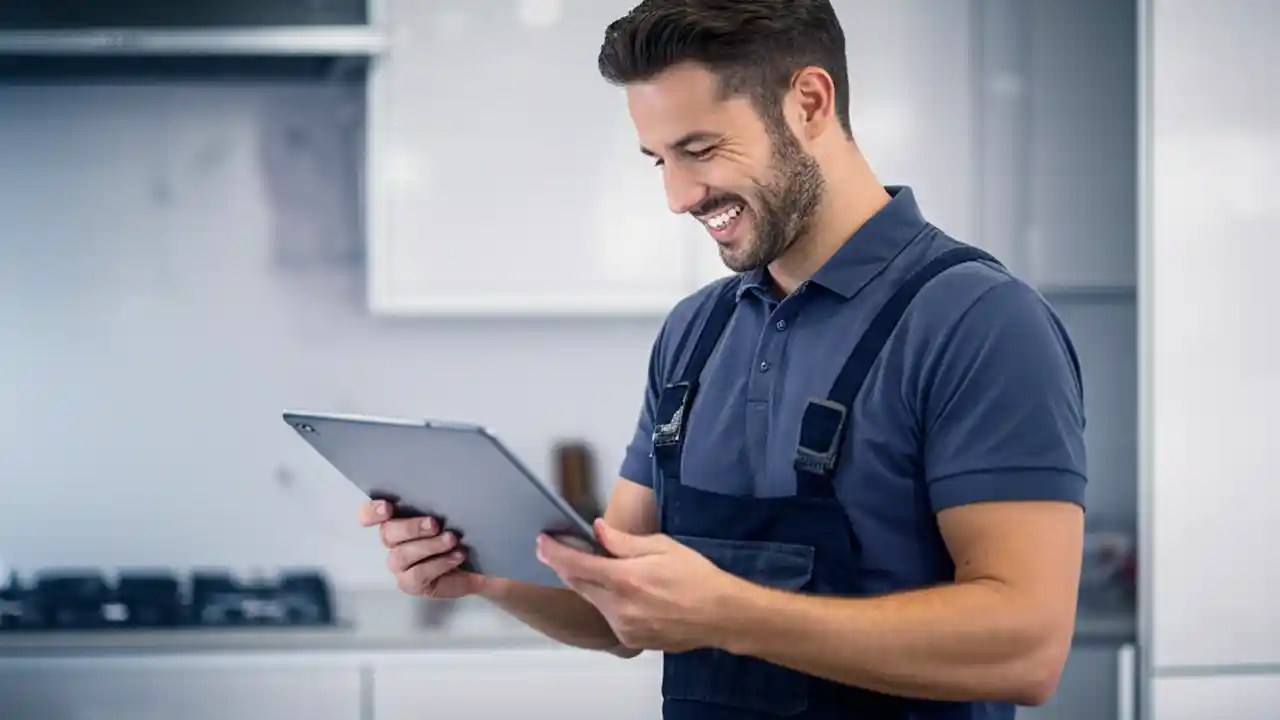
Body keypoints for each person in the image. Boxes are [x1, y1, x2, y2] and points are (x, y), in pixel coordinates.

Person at [357, 1, 1087, 718]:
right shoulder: (695, 332)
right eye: (659, 160)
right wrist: (484, 577)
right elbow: (622, 608)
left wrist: (729, 614)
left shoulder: (980, 321)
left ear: (808, 102)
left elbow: (1026, 650)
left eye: (700, 150)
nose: (678, 197)